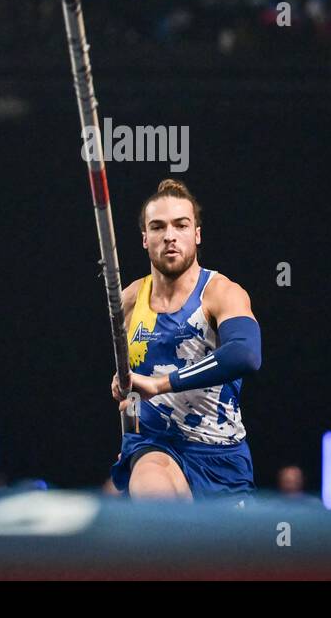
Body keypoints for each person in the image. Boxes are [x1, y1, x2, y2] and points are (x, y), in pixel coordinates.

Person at [109, 179, 261, 501]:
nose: (169, 236)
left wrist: (160, 384)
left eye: (181, 225)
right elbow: (133, 384)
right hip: (157, 448)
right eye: (158, 227)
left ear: (197, 234)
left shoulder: (220, 293)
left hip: (221, 455)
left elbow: (246, 355)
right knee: (154, 495)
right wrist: (128, 396)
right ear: (144, 239)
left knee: (224, 552)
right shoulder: (130, 300)